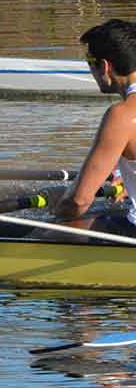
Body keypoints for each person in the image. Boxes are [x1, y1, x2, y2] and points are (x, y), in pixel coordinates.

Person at [49, 19, 136, 234]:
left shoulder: (122, 116)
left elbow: (79, 201)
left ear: (105, 66)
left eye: (89, 61)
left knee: (55, 228)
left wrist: (56, 211)